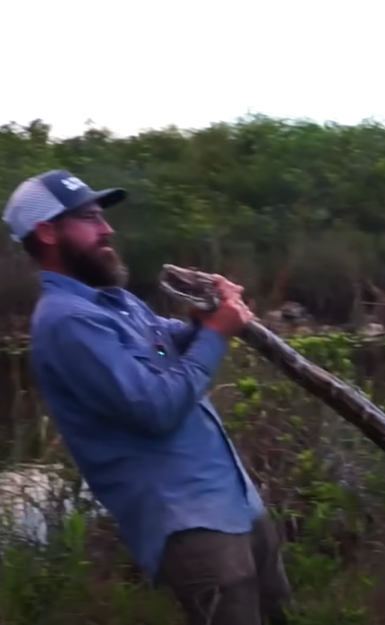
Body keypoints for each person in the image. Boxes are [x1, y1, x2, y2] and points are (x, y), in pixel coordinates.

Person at [3, 170, 292, 624]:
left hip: (234, 503)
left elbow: (164, 344)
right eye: (89, 218)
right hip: (193, 523)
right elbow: (154, 407)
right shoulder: (67, 321)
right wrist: (215, 335)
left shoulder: (116, 303)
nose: (107, 229)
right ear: (47, 232)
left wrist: (205, 319)